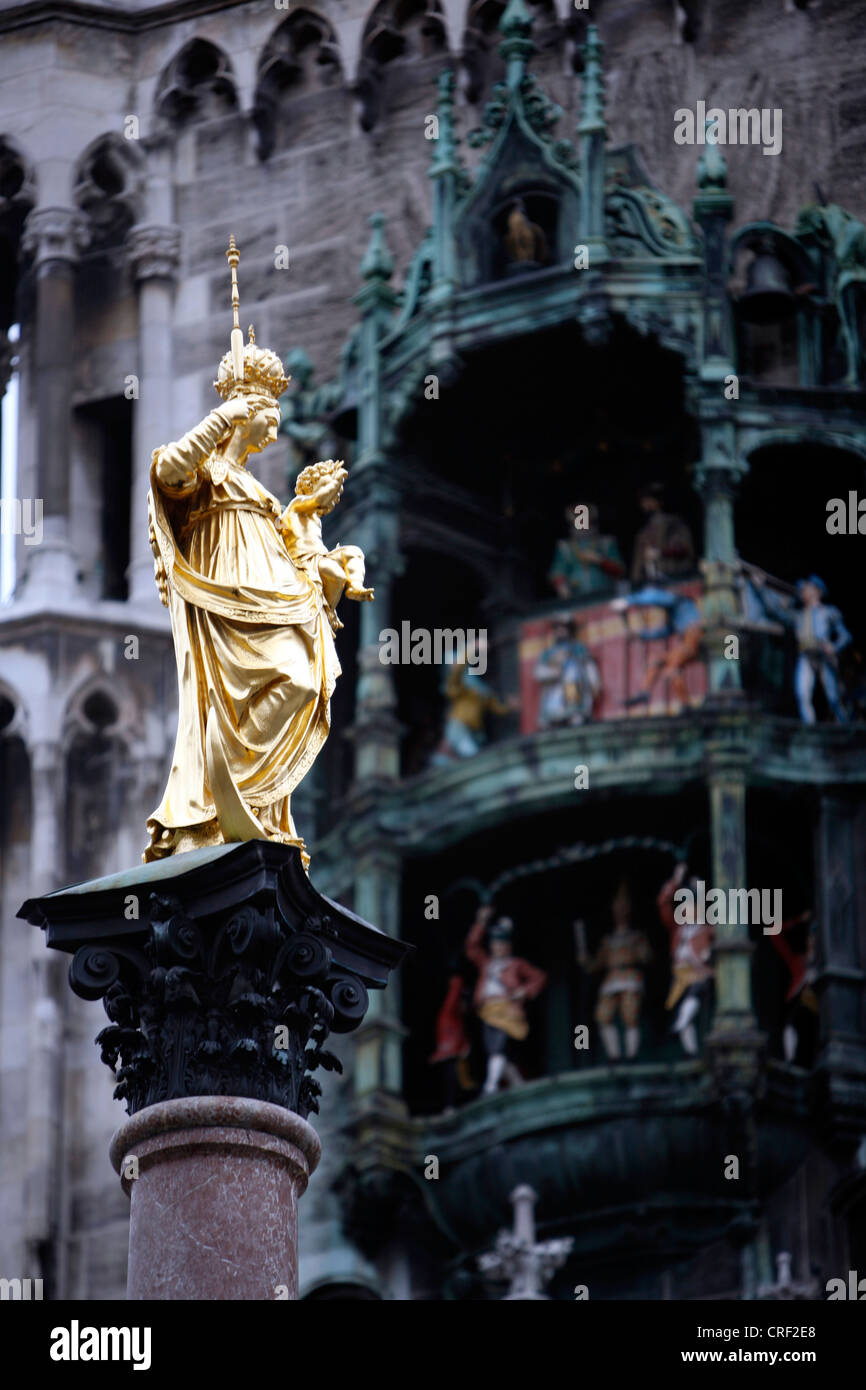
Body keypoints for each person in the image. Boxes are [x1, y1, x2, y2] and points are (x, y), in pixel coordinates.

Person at [145, 242, 370, 867]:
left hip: (264, 601)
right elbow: (167, 471)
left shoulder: (262, 492)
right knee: (288, 679)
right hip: (225, 601)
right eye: (267, 414)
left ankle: (253, 798)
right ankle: (219, 804)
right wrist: (221, 419)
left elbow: (296, 561)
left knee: (304, 679)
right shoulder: (210, 471)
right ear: (246, 411)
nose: (274, 427)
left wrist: (328, 561)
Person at [464, 907, 547, 1095]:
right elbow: (472, 948)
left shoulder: (515, 964)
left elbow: (539, 977)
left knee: (498, 1048)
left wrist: (523, 991)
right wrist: (481, 923)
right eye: (495, 943)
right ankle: (517, 1083)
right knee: (495, 1049)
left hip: (507, 1009)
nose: (498, 947)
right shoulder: (486, 963)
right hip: (487, 1010)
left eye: (502, 944)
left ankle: (490, 1086)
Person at [752, 572, 852, 723]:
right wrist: (761, 588)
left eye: (808, 588)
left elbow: (845, 636)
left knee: (833, 698)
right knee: (802, 694)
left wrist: (834, 647)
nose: (804, 591)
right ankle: (809, 730)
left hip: (824, 656)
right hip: (806, 656)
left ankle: (846, 728)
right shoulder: (798, 616)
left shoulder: (828, 612)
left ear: (817, 591)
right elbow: (775, 611)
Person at [574, 882, 652, 1061]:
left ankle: (632, 1055)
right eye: (617, 908)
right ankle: (614, 1055)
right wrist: (585, 960)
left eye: (624, 907)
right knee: (602, 1016)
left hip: (630, 977)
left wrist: (640, 950)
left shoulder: (636, 936)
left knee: (630, 1016)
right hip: (611, 980)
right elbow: (596, 965)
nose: (620, 911)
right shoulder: (608, 941)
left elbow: (647, 957)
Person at [613, 585, 703, 713]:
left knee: (672, 668)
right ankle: (644, 692)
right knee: (657, 660)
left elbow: (654, 596)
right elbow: (663, 632)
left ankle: (686, 705)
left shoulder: (679, 601)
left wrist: (628, 600)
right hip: (689, 644)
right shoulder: (676, 616)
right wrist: (638, 634)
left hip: (694, 639)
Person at [656, 862, 714, 1056]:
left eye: (692, 906)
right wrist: (676, 880)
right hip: (680, 976)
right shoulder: (677, 928)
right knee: (681, 1009)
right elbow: (663, 902)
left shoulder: (707, 928)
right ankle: (691, 1052)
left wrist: (708, 955)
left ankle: (678, 1026)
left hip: (700, 973)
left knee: (695, 992)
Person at [431, 662, 517, 764]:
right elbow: (456, 675)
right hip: (459, 726)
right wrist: (468, 653)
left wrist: (510, 707)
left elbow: (497, 708)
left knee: (468, 754)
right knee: (471, 755)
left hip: (472, 730)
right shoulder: (459, 688)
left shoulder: (482, 692)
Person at [548, 503, 625, 600]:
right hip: (578, 598)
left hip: (607, 595)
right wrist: (561, 585)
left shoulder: (606, 543)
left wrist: (600, 560)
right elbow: (557, 572)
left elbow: (619, 570)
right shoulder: (565, 548)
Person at [770, 910, 818, 1063]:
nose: (812, 942)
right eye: (810, 938)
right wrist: (798, 920)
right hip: (797, 1007)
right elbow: (773, 932)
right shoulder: (798, 962)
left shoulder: (823, 966)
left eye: (815, 939)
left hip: (815, 1014)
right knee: (790, 1027)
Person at [534, 618, 601, 727]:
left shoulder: (578, 648)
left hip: (573, 686)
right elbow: (539, 672)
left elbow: (588, 666)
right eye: (558, 629)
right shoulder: (548, 653)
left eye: (564, 628)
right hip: (555, 689)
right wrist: (553, 672)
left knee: (574, 709)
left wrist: (595, 683)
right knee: (554, 709)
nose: (561, 631)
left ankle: (576, 716)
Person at [631, 483, 694, 586]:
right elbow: (637, 566)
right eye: (643, 501)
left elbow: (685, 549)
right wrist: (636, 584)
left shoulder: (675, 524)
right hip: (650, 584)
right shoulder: (643, 534)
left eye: (649, 500)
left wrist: (660, 553)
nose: (645, 505)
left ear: (658, 501)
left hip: (675, 580)